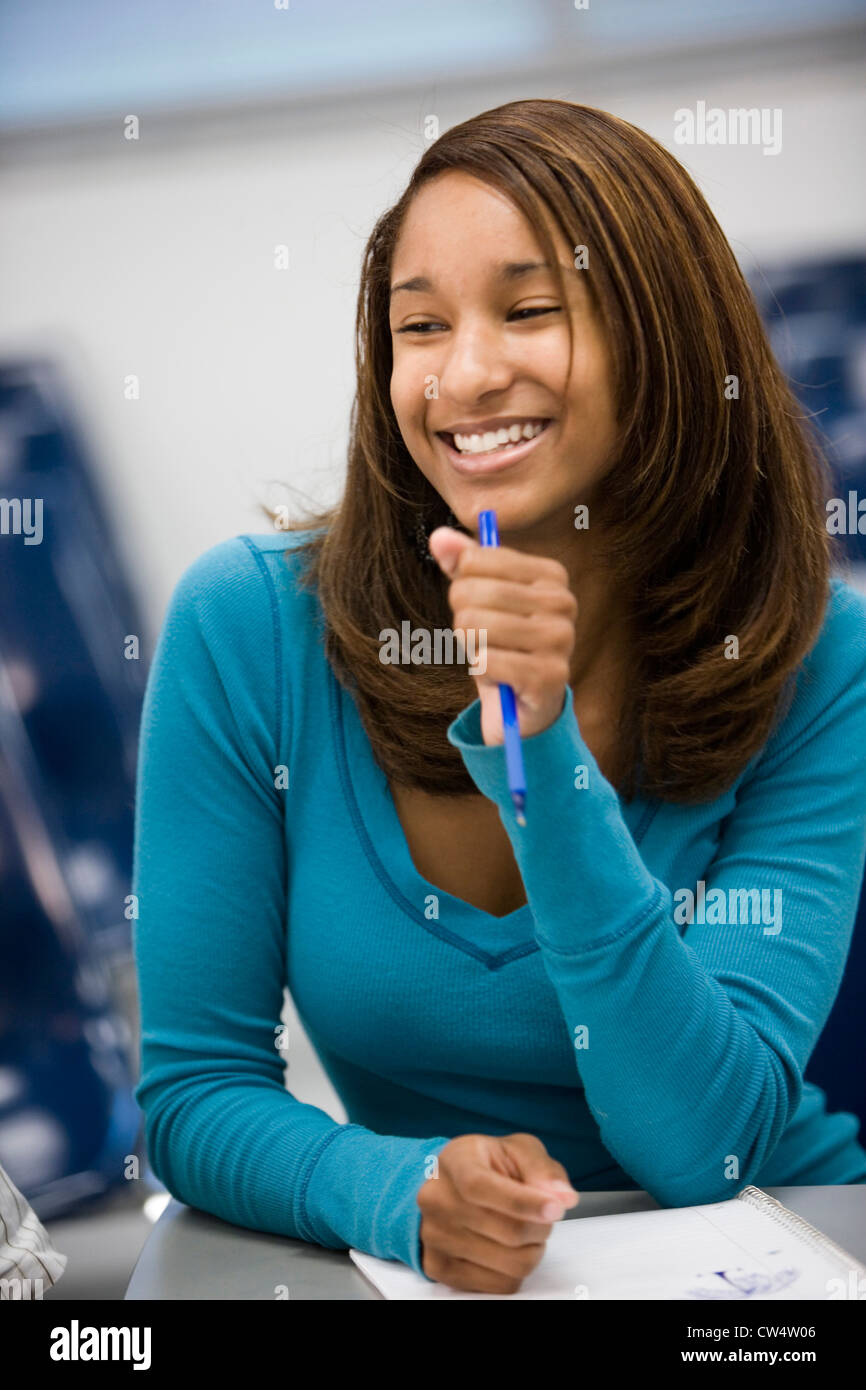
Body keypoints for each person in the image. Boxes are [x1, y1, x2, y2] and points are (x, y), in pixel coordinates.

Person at [132, 99, 866, 1296]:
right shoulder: (248, 626)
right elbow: (195, 1092)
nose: (463, 375)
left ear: (667, 339)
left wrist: (547, 761)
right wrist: (393, 1187)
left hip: (782, 1239)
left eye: (529, 311)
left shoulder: (814, 653)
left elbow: (704, 1146)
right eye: (419, 326)